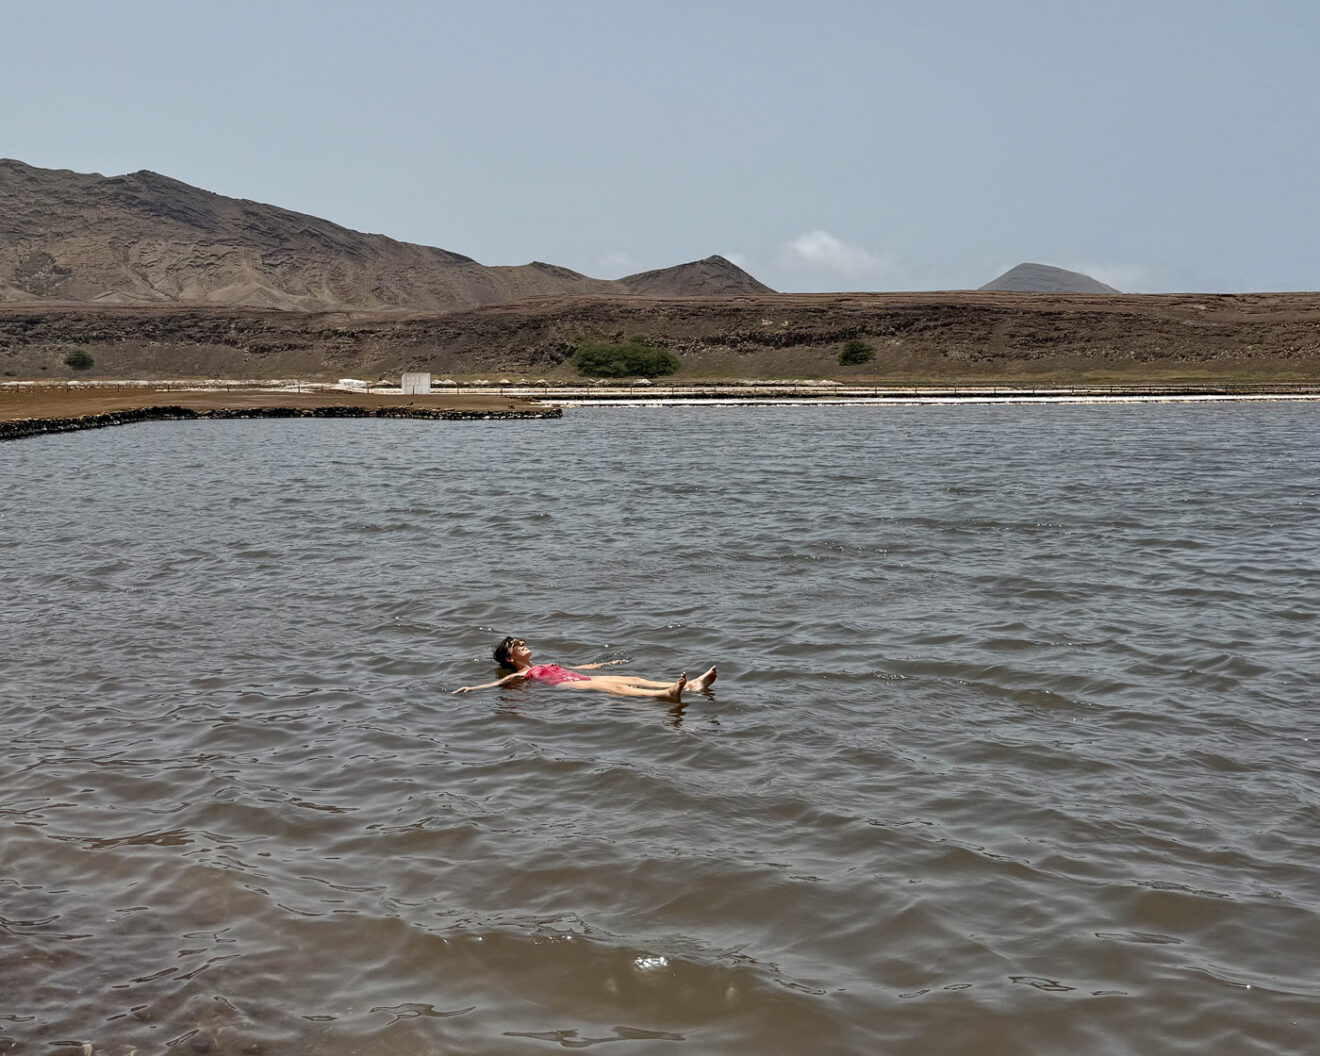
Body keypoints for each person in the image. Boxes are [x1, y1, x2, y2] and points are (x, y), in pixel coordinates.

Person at [453, 637, 717, 702]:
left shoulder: (546, 664)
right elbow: (498, 684)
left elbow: (577, 666)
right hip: (569, 685)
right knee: (615, 687)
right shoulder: (520, 674)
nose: (522, 644)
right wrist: (473, 688)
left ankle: (693, 685)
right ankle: (666, 695)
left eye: (522, 641)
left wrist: (605, 664)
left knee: (632, 677)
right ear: (510, 658)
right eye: (515, 645)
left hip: (579, 675)